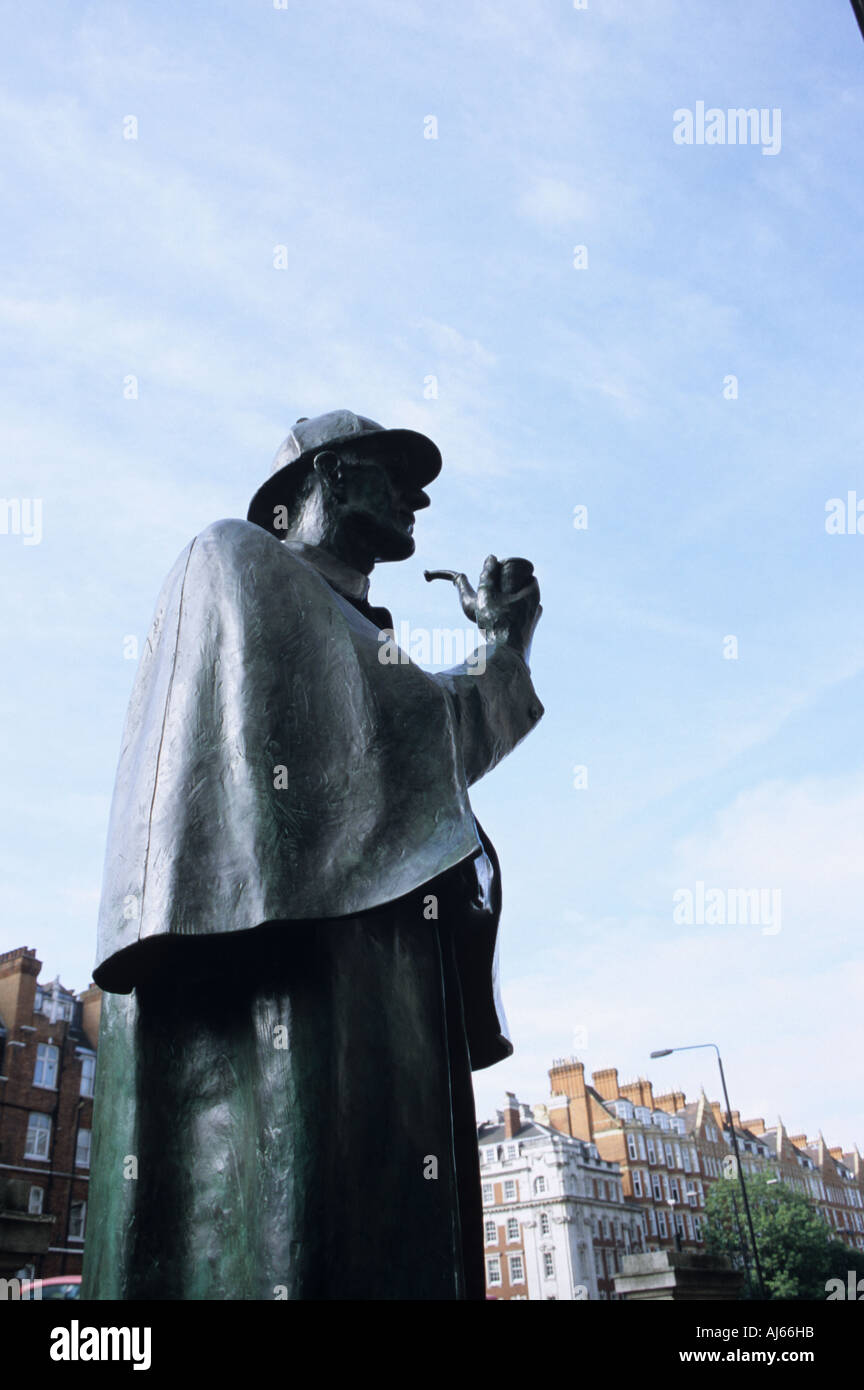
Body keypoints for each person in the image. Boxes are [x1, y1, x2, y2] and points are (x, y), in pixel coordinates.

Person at [82, 410, 543, 1300]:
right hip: (285, 953)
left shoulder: (363, 635)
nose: (418, 495)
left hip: (380, 955)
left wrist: (504, 648)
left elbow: (426, 730)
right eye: (385, 471)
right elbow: (401, 725)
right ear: (317, 485)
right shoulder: (238, 559)